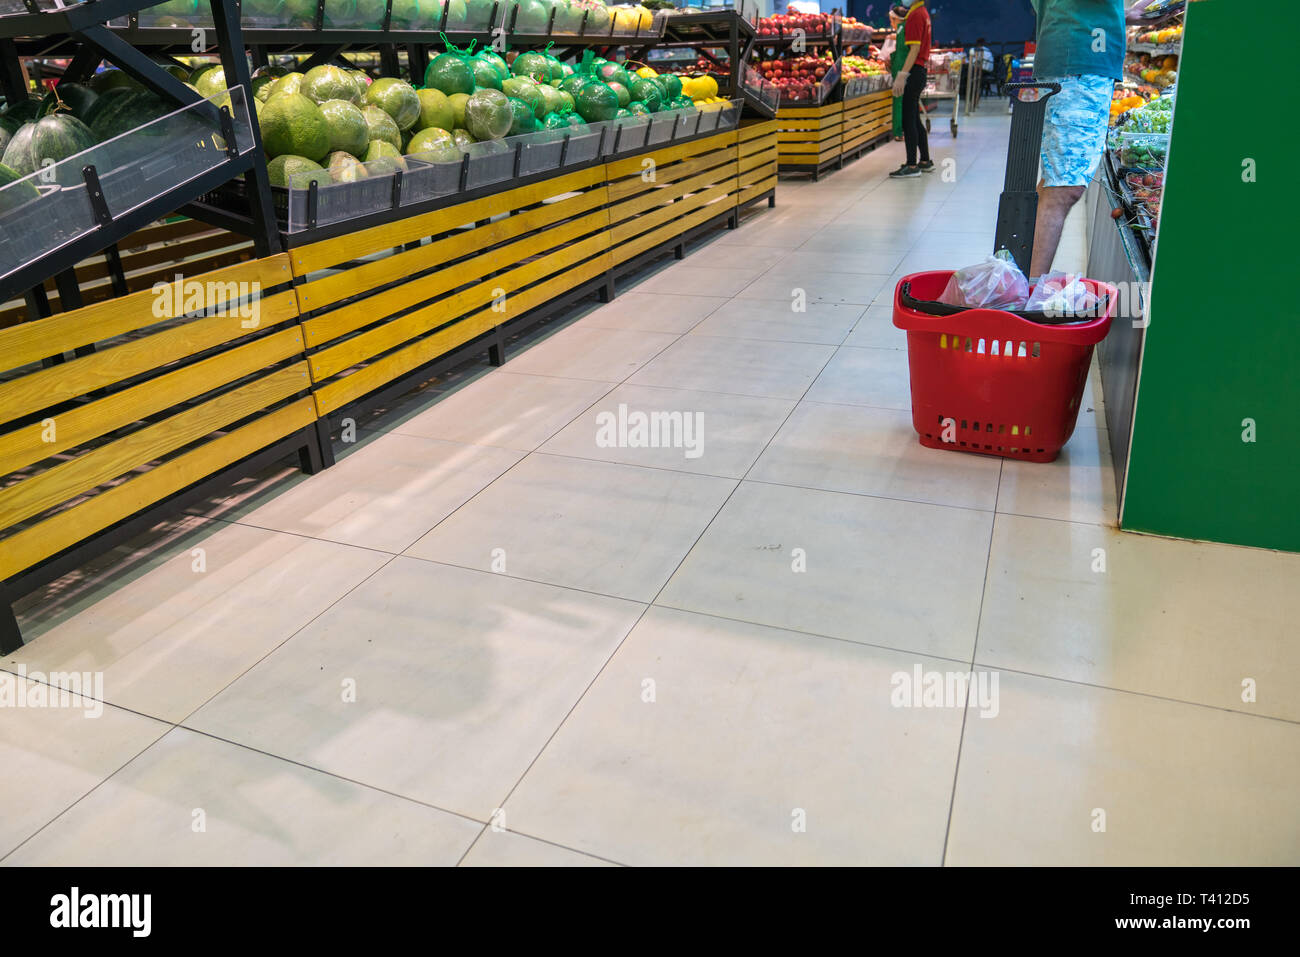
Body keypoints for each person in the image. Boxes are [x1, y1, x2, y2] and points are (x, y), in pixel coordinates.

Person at [1028, 0, 1153, 275]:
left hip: (1075, 55)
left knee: (1057, 181)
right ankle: (1027, 297)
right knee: (1063, 187)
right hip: (1080, 62)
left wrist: (1122, 13)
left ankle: (1024, 285)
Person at [888, 0, 933, 178]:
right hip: (919, 71)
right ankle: (925, 160)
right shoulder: (921, 12)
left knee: (908, 119)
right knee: (914, 117)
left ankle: (912, 165)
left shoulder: (915, 15)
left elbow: (914, 49)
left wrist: (902, 75)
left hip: (914, 71)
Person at [884, 4, 909, 141]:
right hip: (904, 70)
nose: (890, 23)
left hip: (901, 70)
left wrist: (889, 60)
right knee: (905, 102)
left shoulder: (901, 29)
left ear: (895, 19)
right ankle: (904, 129)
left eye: (891, 20)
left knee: (898, 102)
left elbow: (901, 53)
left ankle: (898, 132)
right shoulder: (903, 30)